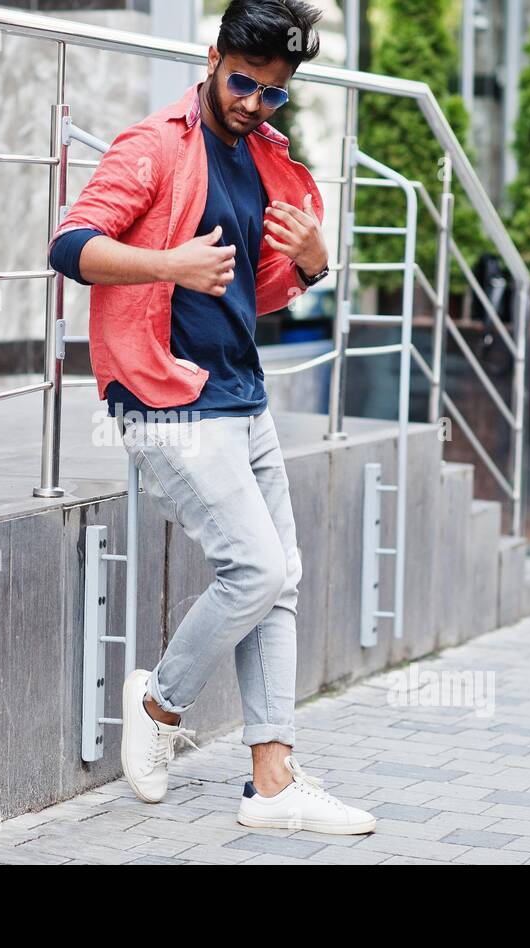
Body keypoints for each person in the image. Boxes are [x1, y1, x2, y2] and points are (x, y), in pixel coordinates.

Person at [48, 0, 375, 835]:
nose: (255, 104)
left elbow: (243, 289)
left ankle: (274, 782)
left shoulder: (260, 153)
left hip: (241, 391)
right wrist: (169, 261)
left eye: (275, 93)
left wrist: (311, 266)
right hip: (166, 398)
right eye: (242, 83)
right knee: (257, 569)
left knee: (282, 579)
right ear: (213, 53)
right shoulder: (155, 144)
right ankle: (159, 707)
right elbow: (68, 245)